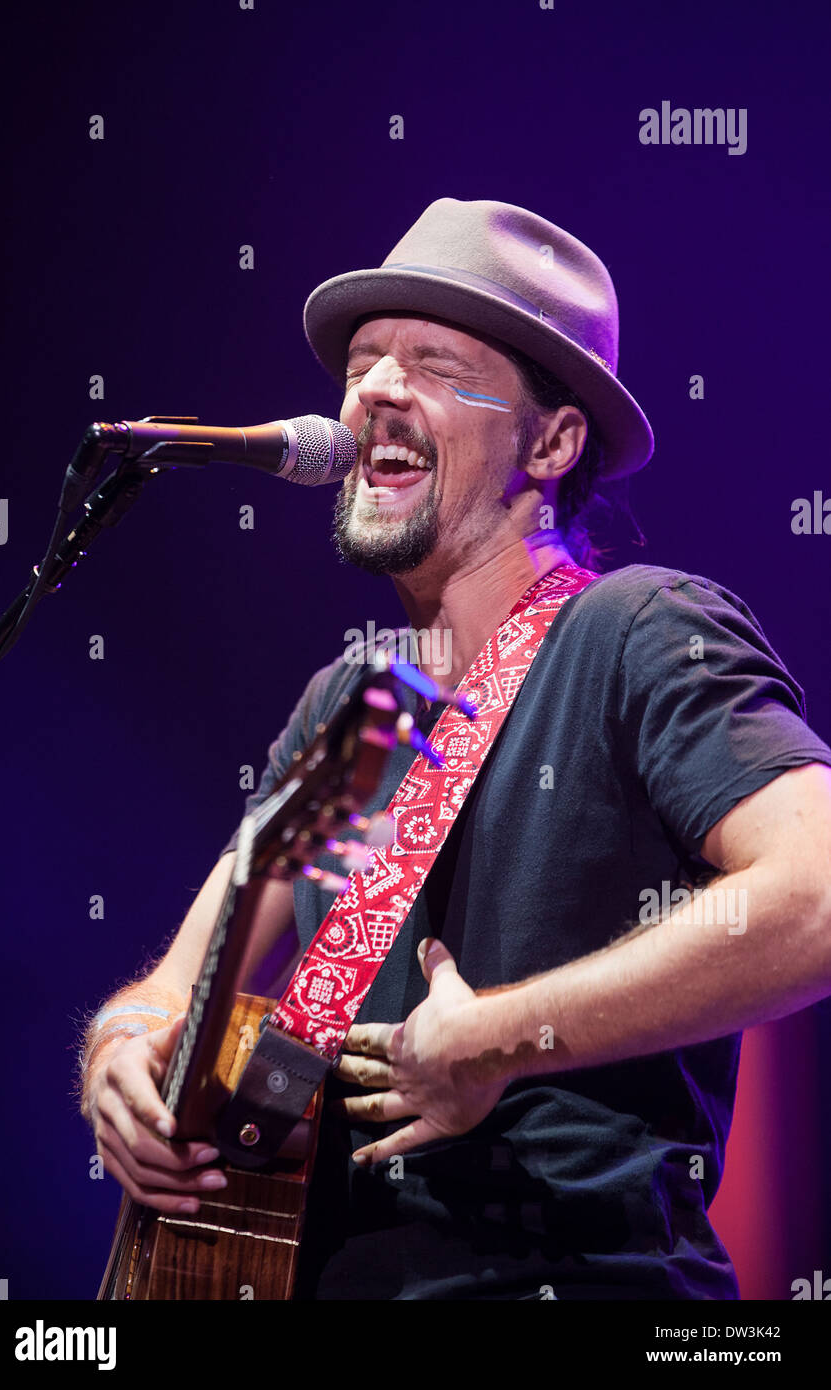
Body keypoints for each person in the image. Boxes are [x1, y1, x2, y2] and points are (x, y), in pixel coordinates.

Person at [79, 198, 831, 1300]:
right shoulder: (355, 707)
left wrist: (498, 1035)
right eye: (365, 360)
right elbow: (173, 992)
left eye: (431, 364)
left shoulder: (636, 630)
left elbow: (814, 895)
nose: (372, 389)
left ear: (553, 441)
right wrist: (115, 1056)